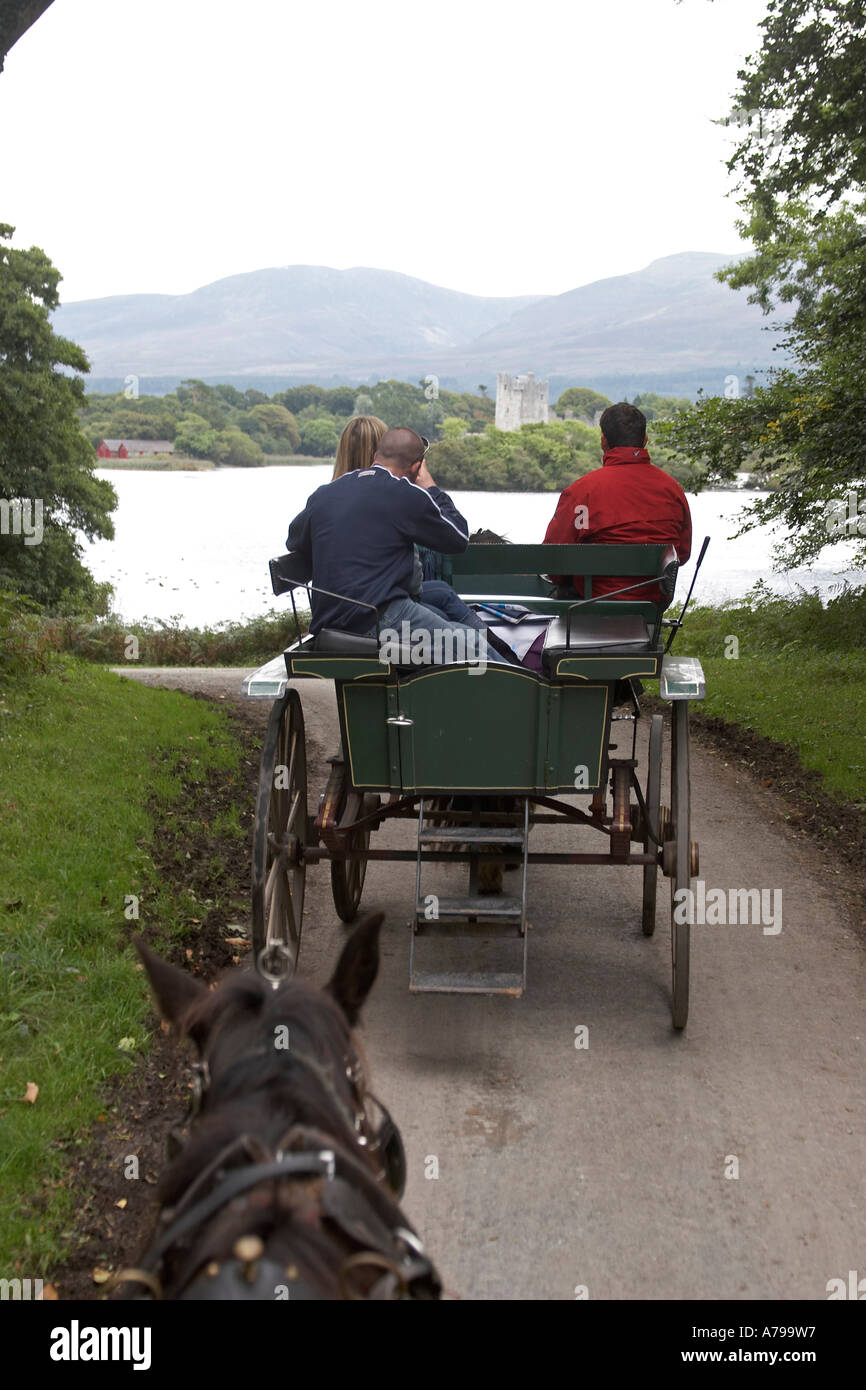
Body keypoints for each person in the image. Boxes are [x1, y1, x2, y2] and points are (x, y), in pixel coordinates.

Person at [286, 426, 490, 664]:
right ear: (416, 467)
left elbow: (294, 540)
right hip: (378, 620)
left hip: (329, 621)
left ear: (375, 456)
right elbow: (458, 538)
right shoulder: (405, 494)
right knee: (473, 648)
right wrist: (430, 486)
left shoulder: (324, 494)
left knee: (464, 634)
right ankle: (523, 693)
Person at [331, 415, 485, 630]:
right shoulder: (396, 500)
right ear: (381, 453)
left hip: (344, 610)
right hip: (380, 611)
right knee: (461, 631)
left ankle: (495, 650)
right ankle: (499, 655)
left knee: (442, 596)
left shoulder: (327, 499)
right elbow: (415, 578)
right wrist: (428, 486)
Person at [543, 401, 692, 606]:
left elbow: (553, 561)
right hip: (652, 607)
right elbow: (681, 554)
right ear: (645, 440)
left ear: (604, 442)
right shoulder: (672, 490)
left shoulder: (582, 492)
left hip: (591, 605)